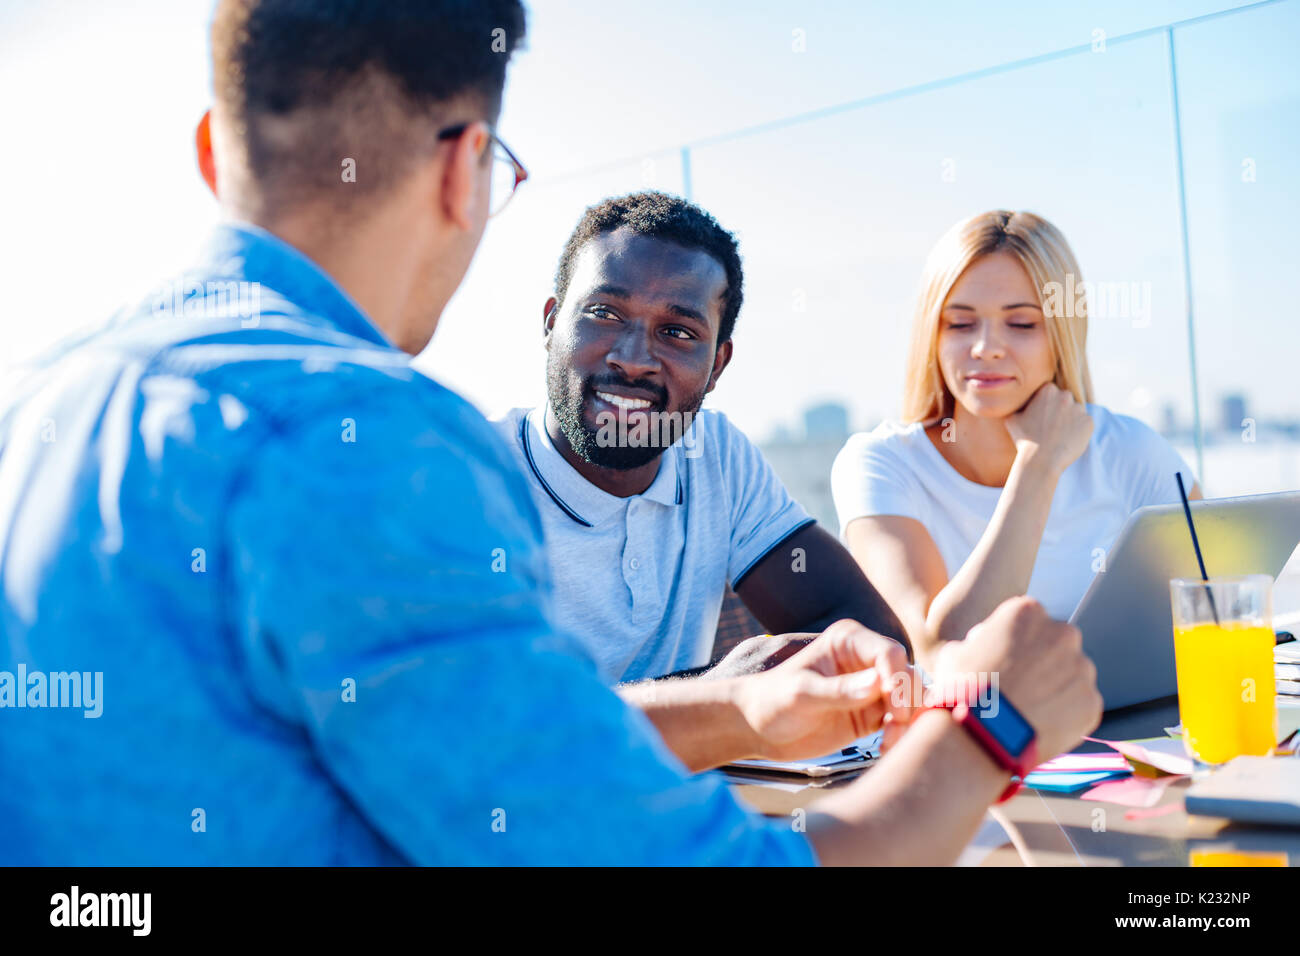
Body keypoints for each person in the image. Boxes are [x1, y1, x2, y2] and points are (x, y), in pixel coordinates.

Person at [0, 1, 1100, 865]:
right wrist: (991, 731)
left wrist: (740, 705)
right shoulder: (369, 443)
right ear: (461, 169)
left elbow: (455, 745)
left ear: (211, 149)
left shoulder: (39, 405)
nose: (632, 355)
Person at [493, 191, 908, 685]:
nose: (634, 358)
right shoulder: (474, 478)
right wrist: (717, 696)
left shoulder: (712, 453)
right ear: (551, 323)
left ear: (717, 365)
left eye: (678, 332)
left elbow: (872, 637)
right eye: (604, 313)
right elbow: (489, 727)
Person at [831, 210, 1202, 669]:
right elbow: (938, 651)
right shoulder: (879, 464)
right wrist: (1038, 467)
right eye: (961, 324)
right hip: (975, 736)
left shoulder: (1128, 449)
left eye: (1022, 324)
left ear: (1061, 337)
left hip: (1125, 728)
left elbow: (1220, 603)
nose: (986, 346)